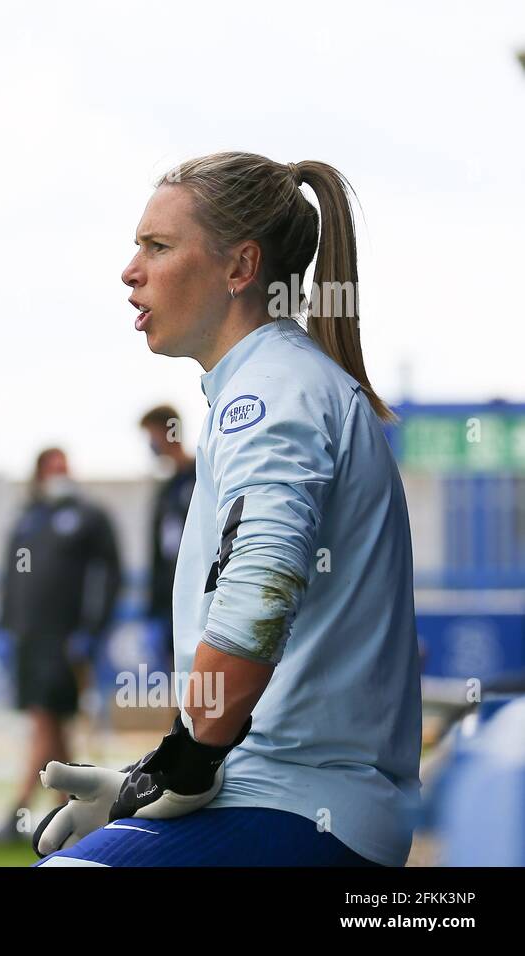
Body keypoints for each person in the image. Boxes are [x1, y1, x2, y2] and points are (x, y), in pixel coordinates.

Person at [35, 152, 422, 867]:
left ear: (240, 268)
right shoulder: (279, 382)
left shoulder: (269, 391)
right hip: (288, 801)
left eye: (157, 246)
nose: (130, 270)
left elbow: (261, 584)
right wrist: (143, 782)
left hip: (300, 809)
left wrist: (186, 759)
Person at [0, 447, 122, 843]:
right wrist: (4, 627)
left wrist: (93, 630)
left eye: (65, 466)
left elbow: (109, 575)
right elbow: (10, 578)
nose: (60, 474)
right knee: (55, 726)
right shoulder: (27, 520)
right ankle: (73, 812)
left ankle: (18, 811)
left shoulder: (90, 518)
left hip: (65, 640)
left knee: (44, 718)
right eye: (53, 468)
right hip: (27, 639)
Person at [139, 405, 196, 664]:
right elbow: (159, 554)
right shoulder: (165, 491)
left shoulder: (202, 476)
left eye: (151, 435)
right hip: (171, 605)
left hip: (198, 600)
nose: (150, 444)